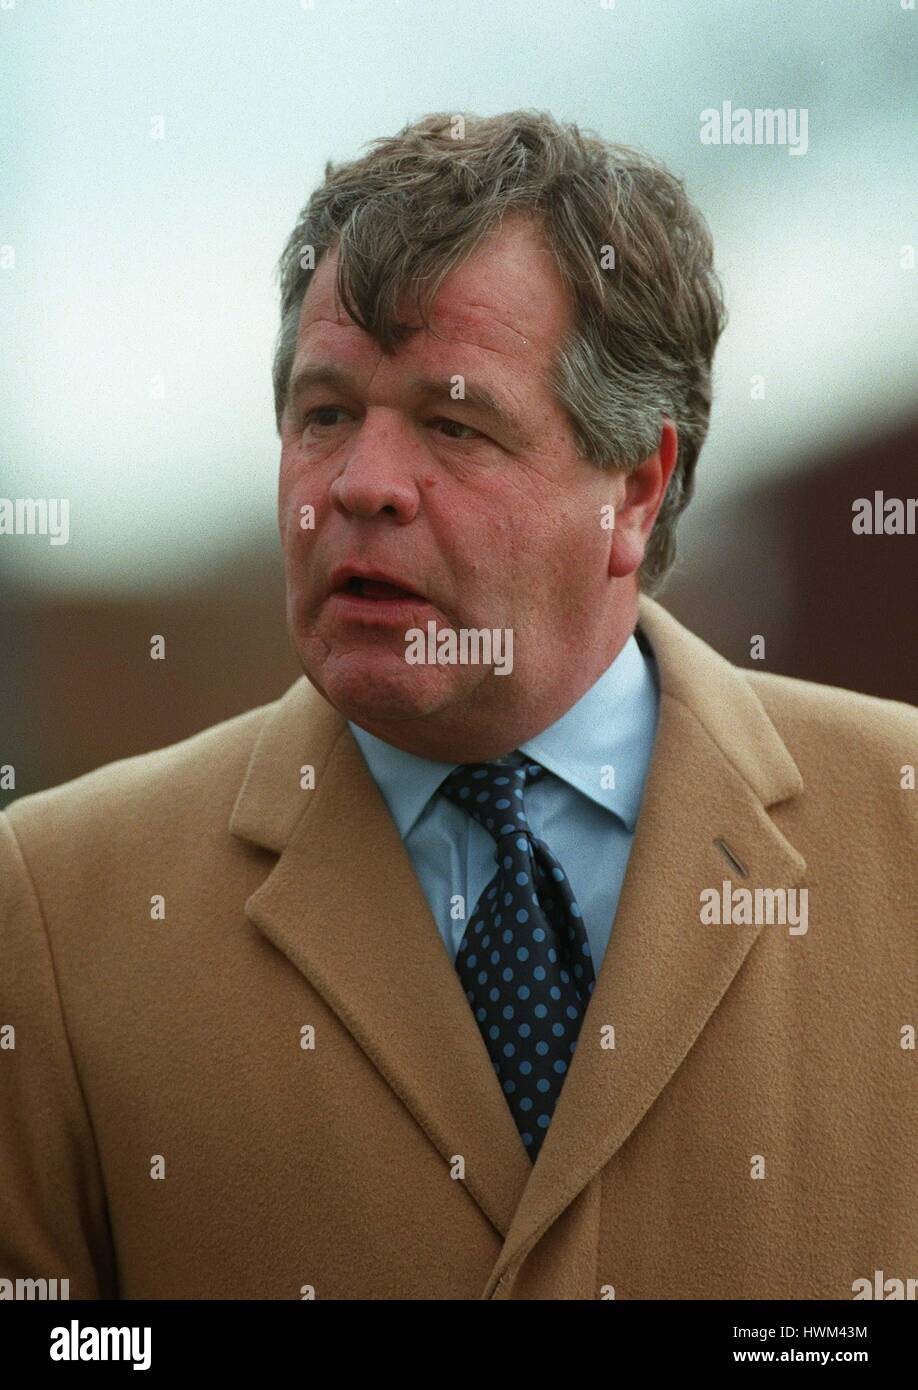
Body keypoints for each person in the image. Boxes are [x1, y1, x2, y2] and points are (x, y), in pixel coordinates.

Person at [1, 110, 915, 1301]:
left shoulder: (898, 832)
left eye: (453, 423)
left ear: (635, 490)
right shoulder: (55, 907)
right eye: (325, 414)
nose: (363, 485)